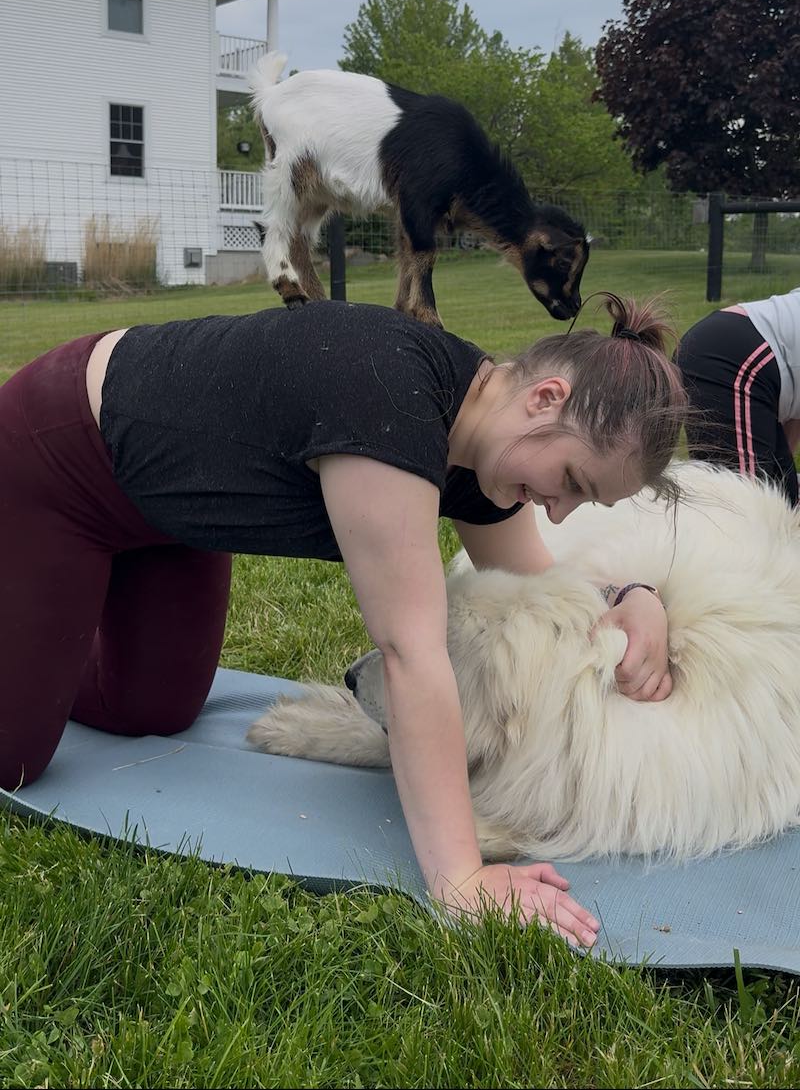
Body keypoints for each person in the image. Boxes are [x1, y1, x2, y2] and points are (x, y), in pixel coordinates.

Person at [0, 292, 687, 946]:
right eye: (572, 481)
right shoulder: (387, 403)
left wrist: (632, 597)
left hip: (169, 514)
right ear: (546, 399)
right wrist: (462, 879)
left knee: (151, 708)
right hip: (59, 458)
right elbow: (412, 653)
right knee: (15, 757)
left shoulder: (482, 445)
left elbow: (542, 585)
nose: (558, 509)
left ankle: (44, 635)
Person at [676, 287, 800, 506]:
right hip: (730, 357)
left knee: (782, 499)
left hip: (740, 351)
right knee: (744, 505)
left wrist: (781, 464)